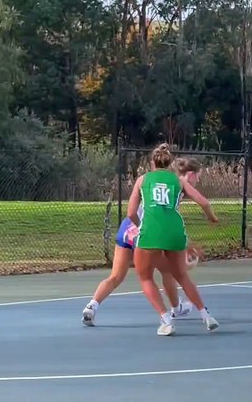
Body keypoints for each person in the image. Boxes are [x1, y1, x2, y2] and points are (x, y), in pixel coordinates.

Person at [81, 158, 206, 327]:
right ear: (191, 175)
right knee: (168, 270)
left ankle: (91, 307)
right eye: (198, 176)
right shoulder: (175, 187)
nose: (198, 180)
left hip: (127, 229)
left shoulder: (158, 181)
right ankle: (176, 309)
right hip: (144, 232)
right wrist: (187, 247)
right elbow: (166, 226)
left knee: (116, 276)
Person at [128, 144, 220, 336]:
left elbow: (131, 213)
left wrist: (140, 225)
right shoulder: (178, 181)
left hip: (151, 232)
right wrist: (212, 218)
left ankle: (166, 321)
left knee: (145, 277)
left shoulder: (143, 180)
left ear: (152, 162)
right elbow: (204, 202)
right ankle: (206, 315)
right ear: (170, 163)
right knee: (182, 275)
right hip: (176, 232)